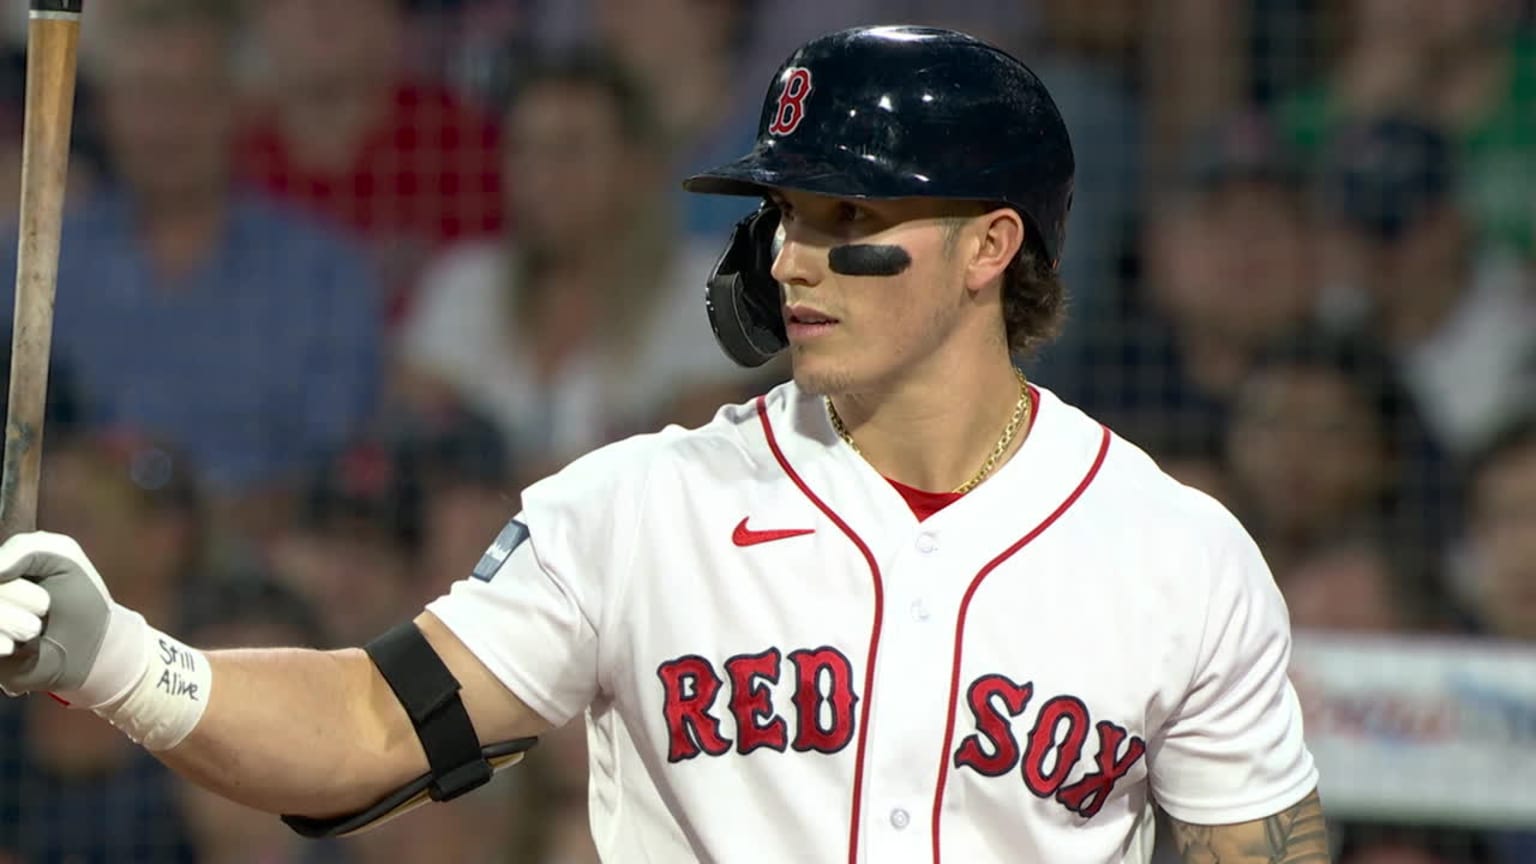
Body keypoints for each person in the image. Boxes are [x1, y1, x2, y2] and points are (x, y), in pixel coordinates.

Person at [0, 27, 1325, 862]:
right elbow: (366, 723)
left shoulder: (1174, 553)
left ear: (994, 247)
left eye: (847, 213)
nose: (796, 258)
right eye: (785, 216)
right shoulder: (641, 507)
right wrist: (116, 657)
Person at [0, 0, 384, 519]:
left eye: (190, 96)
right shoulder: (30, 262)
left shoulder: (322, 276)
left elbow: (335, 467)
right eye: (146, 97)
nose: (167, 125)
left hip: (259, 571)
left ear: (237, 108)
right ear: (105, 110)